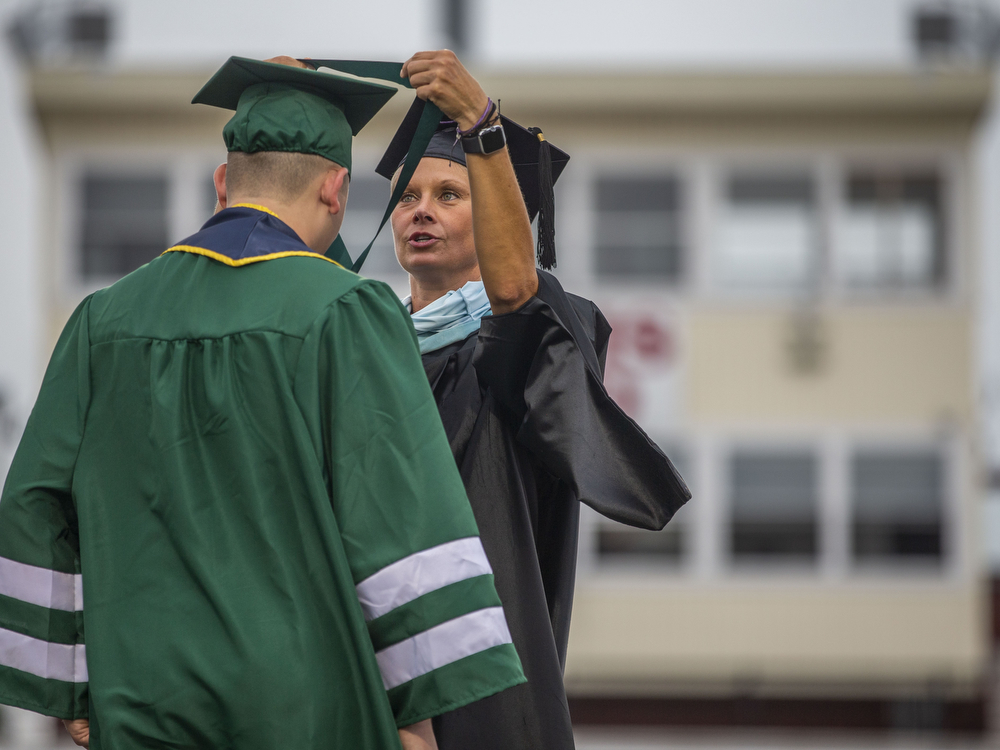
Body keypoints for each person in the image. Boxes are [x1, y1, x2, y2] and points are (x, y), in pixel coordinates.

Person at [0, 56, 525, 750]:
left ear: (223, 183)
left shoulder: (102, 321)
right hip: (306, 712)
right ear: (336, 191)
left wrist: (71, 686)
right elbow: (397, 517)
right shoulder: (348, 313)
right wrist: (416, 717)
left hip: (142, 704)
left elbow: (33, 506)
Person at [371, 51, 692, 749]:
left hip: (487, 680)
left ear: (495, 211)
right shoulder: (369, 345)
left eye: (449, 194)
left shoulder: (536, 328)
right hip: (373, 679)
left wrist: (480, 126)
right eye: (408, 195)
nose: (421, 210)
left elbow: (514, 293)